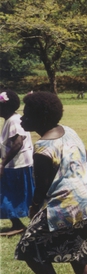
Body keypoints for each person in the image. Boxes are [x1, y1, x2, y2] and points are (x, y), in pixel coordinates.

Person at [15, 92, 87, 274]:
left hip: (71, 205)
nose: (21, 118)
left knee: (28, 248)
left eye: (26, 114)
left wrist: (34, 208)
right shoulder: (68, 131)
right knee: (80, 255)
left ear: (41, 117)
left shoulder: (43, 148)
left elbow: (42, 187)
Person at [0, 89, 34, 237]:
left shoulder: (13, 120)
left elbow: (18, 143)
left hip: (18, 166)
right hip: (14, 166)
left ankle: (20, 225)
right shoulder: (10, 120)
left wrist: (3, 163)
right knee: (8, 195)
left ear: (5, 107)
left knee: (9, 195)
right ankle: (17, 224)